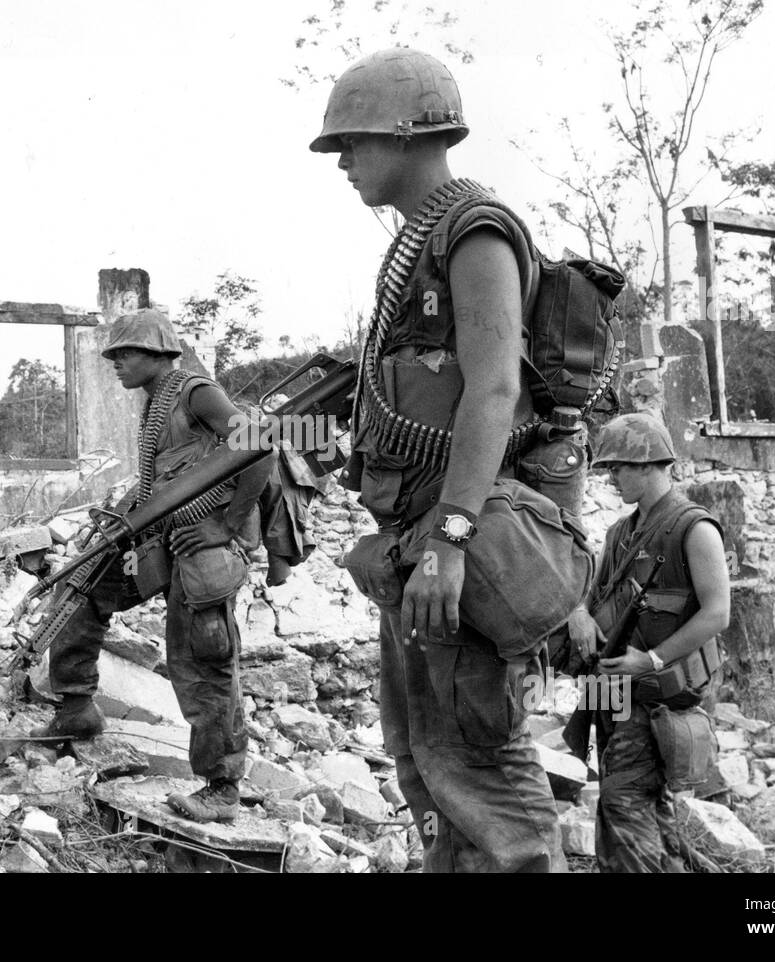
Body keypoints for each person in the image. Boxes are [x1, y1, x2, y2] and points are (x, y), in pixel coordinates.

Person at [310, 48, 581, 872]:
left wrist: (452, 538)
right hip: (417, 551)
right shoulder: (419, 243)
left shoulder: (476, 230)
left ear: (405, 134)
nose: (345, 162)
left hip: (450, 548)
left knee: (484, 776)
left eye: (352, 143)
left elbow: (494, 392)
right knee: (425, 765)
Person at [34, 309, 275, 823]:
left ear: (159, 354)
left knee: (202, 657)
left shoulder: (195, 392)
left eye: (127, 353)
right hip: (161, 537)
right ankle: (76, 709)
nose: (117, 363)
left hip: (203, 546)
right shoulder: (154, 403)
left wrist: (226, 526)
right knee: (85, 582)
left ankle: (221, 788)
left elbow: (259, 449)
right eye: (114, 355)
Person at [566, 412, 731, 872]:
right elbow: (591, 593)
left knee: (623, 807)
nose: (612, 478)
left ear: (646, 464)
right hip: (613, 697)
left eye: (617, 468)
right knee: (645, 811)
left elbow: (718, 613)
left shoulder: (694, 528)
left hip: (660, 700)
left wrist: (652, 659)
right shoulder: (621, 533)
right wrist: (579, 615)